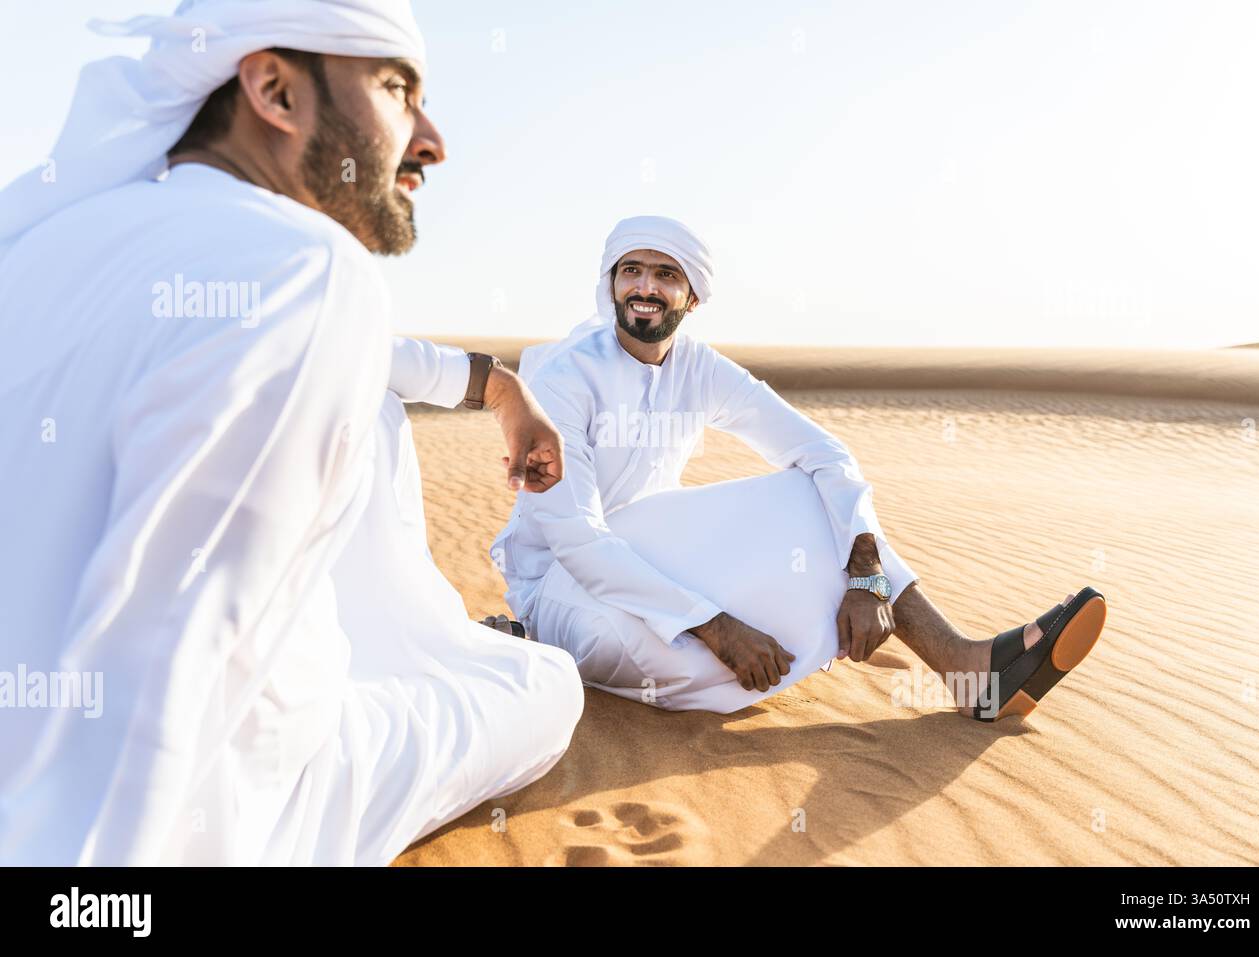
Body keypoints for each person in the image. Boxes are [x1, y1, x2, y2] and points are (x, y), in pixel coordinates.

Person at [0, 0, 582, 866]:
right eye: (397, 87)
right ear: (274, 89)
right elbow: (157, 670)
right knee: (549, 686)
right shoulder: (307, 269)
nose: (432, 141)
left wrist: (496, 386)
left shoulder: (47, 243)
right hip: (243, 807)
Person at [479, 215, 1107, 716]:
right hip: (562, 582)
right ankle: (534, 643)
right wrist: (717, 627)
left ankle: (966, 666)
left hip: (650, 556)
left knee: (815, 497)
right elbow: (581, 540)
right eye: (632, 271)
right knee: (703, 668)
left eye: (666, 275)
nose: (645, 288)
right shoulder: (564, 379)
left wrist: (866, 576)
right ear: (612, 283)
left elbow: (825, 454)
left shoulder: (700, 369)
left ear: (692, 296)